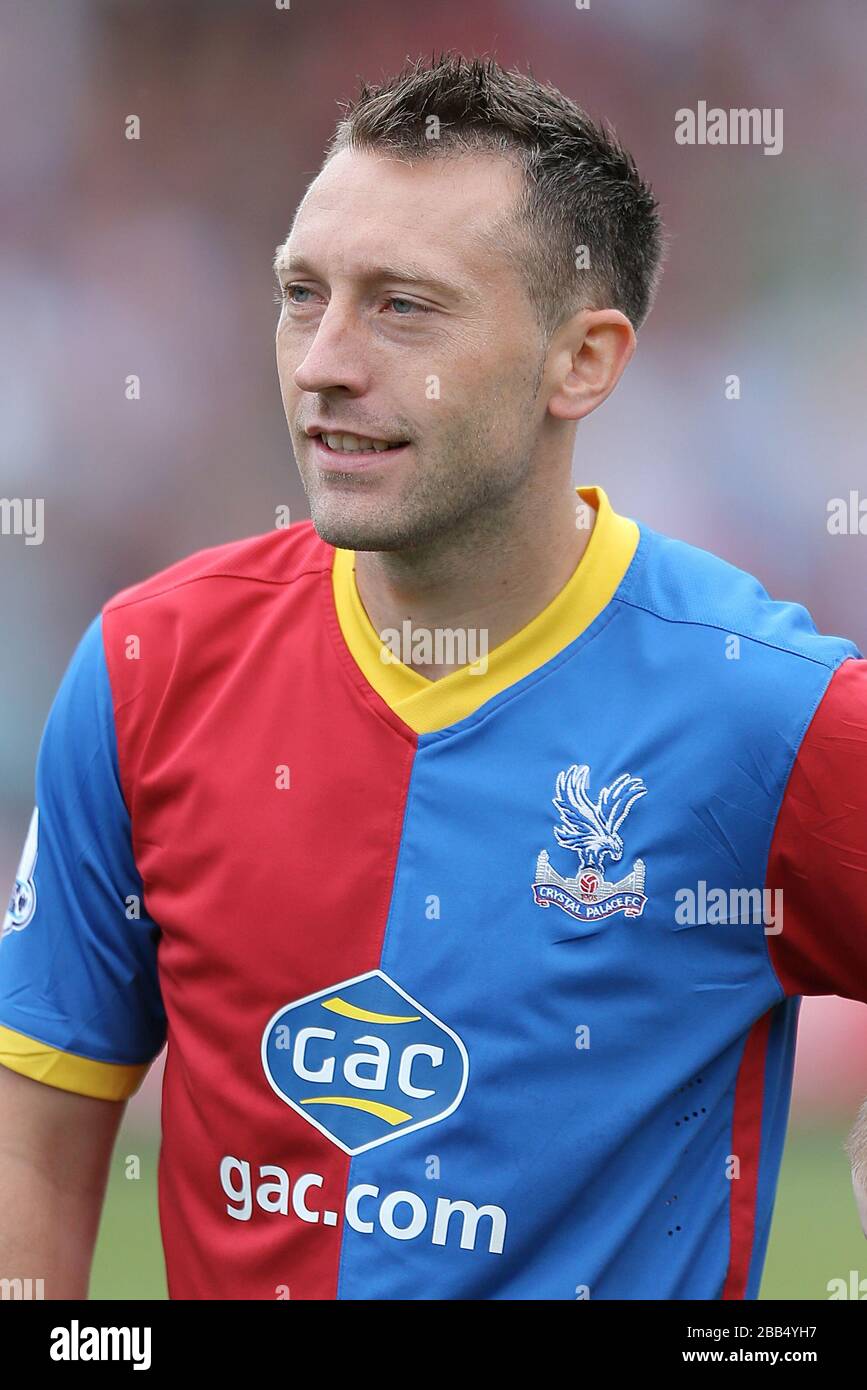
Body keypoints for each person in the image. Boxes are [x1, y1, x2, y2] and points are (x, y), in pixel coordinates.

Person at [1, 54, 865, 1301]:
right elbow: (33, 1142)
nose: (324, 363)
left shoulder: (768, 710)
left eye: (404, 307)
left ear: (585, 362)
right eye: (305, 295)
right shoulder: (148, 667)